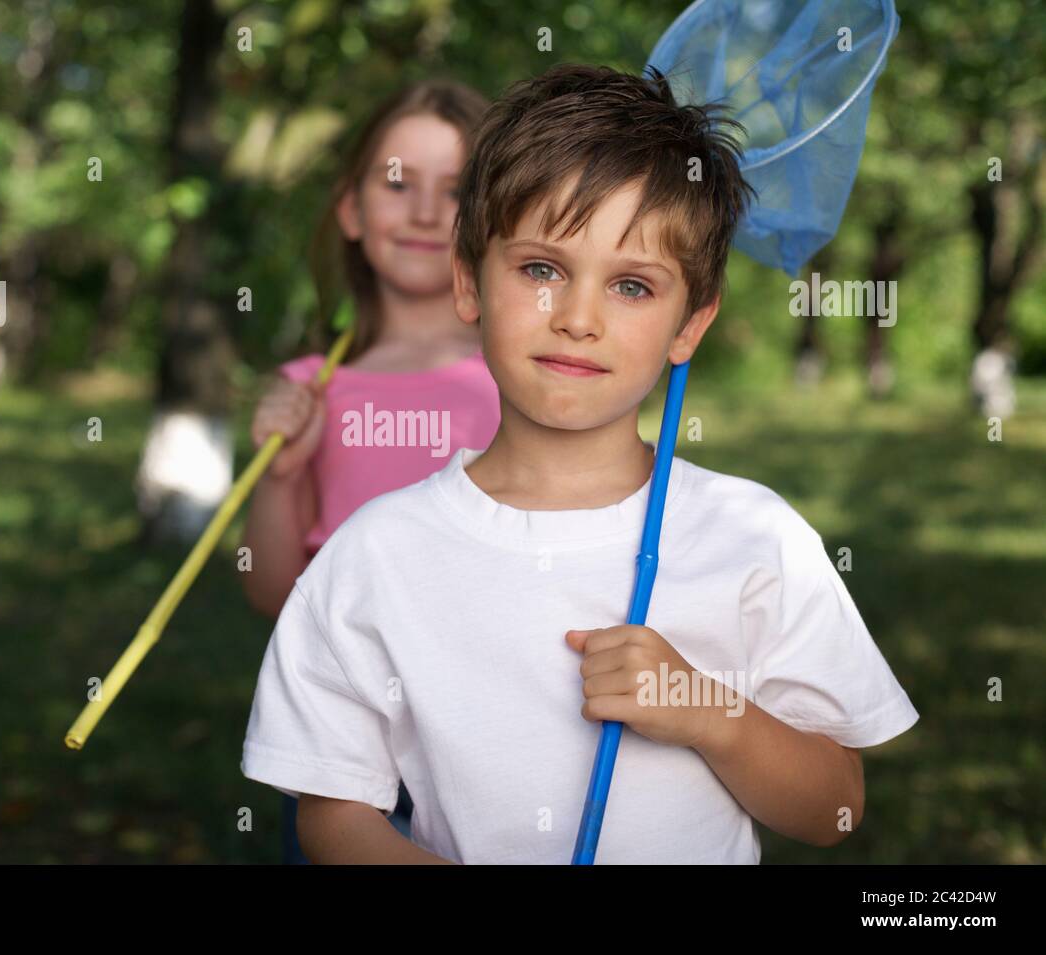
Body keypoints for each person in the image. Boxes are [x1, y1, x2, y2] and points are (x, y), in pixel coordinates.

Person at [240, 63, 920, 863]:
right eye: (540, 270)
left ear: (690, 325)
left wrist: (706, 709)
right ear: (470, 281)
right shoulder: (375, 553)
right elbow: (333, 815)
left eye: (633, 285)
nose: (578, 318)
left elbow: (834, 809)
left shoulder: (756, 537)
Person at [239, 79, 499, 863]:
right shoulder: (311, 386)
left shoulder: (528, 380)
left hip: (495, 742)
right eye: (397, 183)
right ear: (351, 210)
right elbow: (273, 593)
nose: (424, 212)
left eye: (455, 191)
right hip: (346, 752)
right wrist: (282, 475)